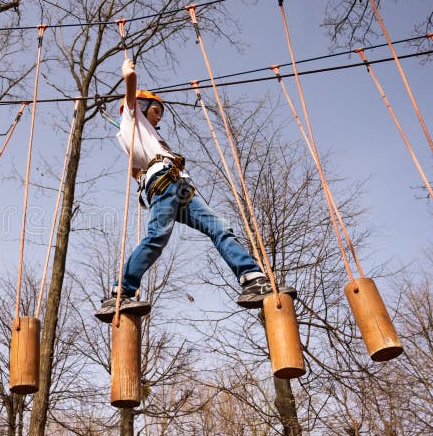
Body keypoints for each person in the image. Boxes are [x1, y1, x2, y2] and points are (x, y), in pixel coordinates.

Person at [95, 59, 296, 323]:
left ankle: (252, 279)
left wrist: (141, 173)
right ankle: (121, 291)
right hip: (164, 186)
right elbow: (131, 94)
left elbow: (135, 168)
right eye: (156, 110)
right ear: (143, 108)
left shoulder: (147, 136)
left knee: (220, 227)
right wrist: (128, 74)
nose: (159, 116)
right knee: (157, 238)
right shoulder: (130, 120)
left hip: (181, 188)